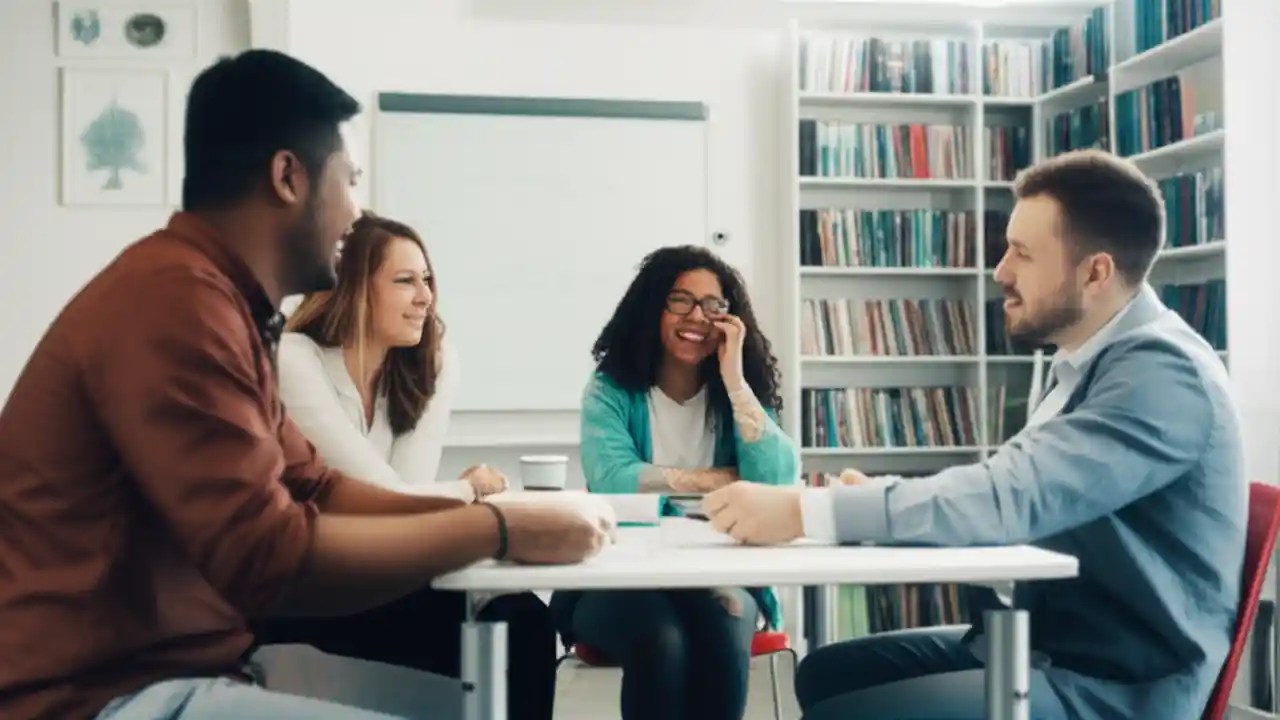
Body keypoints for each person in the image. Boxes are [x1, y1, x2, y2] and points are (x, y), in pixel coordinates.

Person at [0, 49, 612, 720]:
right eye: (347, 179)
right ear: (288, 176)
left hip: (191, 672)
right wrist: (494, 529)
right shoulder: (177, 301)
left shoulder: (227, 306)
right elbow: (270, 558)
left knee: (483, 707)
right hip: (99, 698)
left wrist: (507, 519)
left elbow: (316, 487)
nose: (354, 213)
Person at [702, 149, 1245, 719]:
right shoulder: (1085, 362)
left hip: (1113, 684)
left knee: (846, 714)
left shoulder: (1162, 373)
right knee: (827, 675)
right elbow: (1009, 488)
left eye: (1023, 254)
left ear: (1096, 272)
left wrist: (806, 511)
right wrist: (871, 495)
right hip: (1041, 642)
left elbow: (1014, 495)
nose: (1000, 271)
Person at [269, 210, 558, 720]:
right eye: (405, 281)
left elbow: (410, 500)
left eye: (427, 280)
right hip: (304, 586)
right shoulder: (293, 358)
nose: (426, 296)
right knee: (461, 642)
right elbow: (376, 494)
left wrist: (450, 494)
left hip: (383, 571)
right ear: (352, 288)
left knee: (526, 620)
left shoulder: (429, 364)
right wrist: (467, 489)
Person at [550, 245, 800, 720]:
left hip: (717, 573)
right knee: (662, 639)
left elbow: (777, 480)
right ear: (652, 310)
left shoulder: (736, 395)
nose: (698, 316)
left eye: (713, 304)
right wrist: (727, 481)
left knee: (724, 629)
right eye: (680, 300)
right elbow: (615, 482)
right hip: (615, 580)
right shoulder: (611, 390)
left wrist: (735, 380)